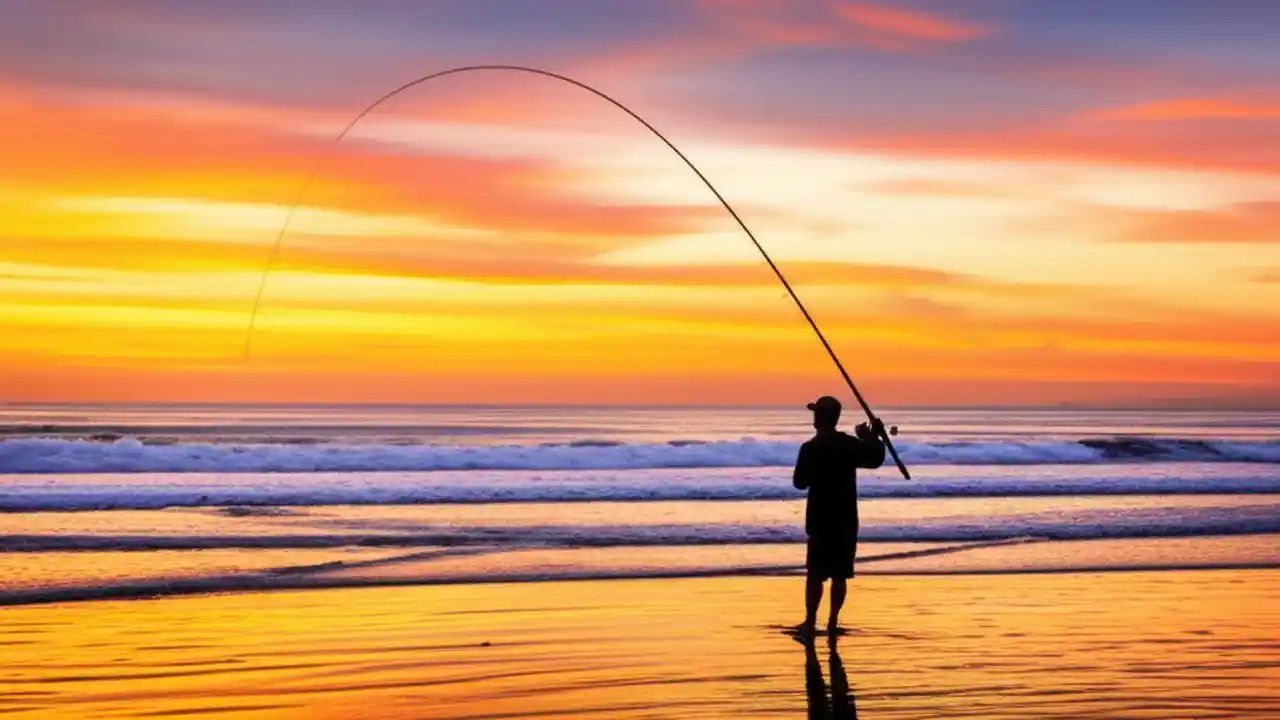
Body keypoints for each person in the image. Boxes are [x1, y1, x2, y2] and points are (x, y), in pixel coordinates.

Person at [792, 395, 885, 638]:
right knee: (839, 574)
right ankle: (832, 622)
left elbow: (799, 482)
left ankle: (810, 622)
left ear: (818, 418)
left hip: (820, 520)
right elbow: (875, 458)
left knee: (815, 573)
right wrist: (872, 436)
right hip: (845, 519)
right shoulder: (849, 445)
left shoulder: (811, 448)